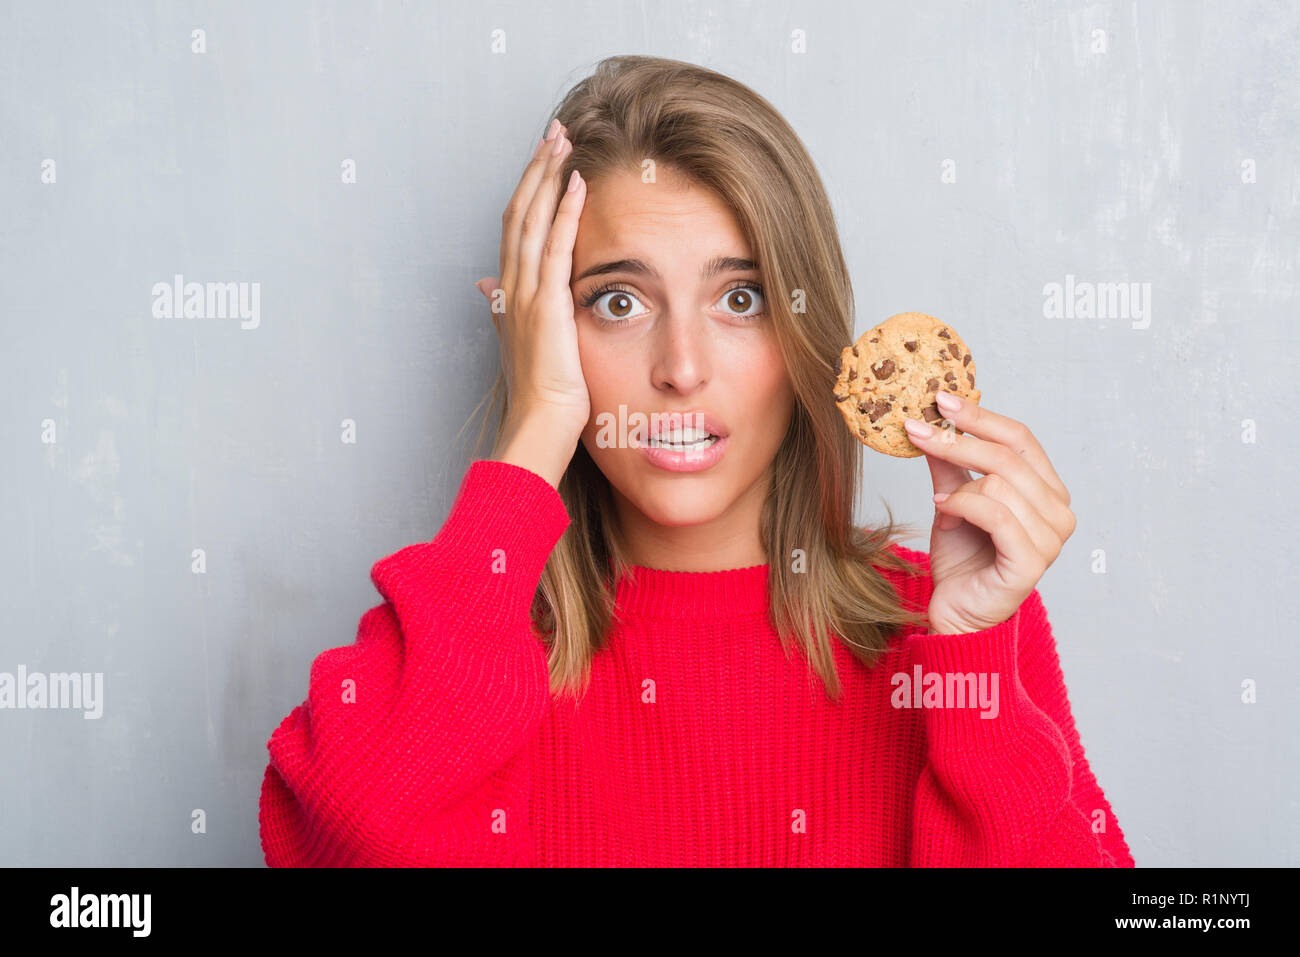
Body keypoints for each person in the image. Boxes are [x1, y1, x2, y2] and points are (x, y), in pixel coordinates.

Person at [258, 54, 1134, 867]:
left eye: (740, 298)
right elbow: (346, 833)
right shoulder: (471, 652)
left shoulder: (945, 629)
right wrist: (534, 428)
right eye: (618, 300)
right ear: (543, 329)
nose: (681, 367)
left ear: (805, 338)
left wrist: (972, 658)